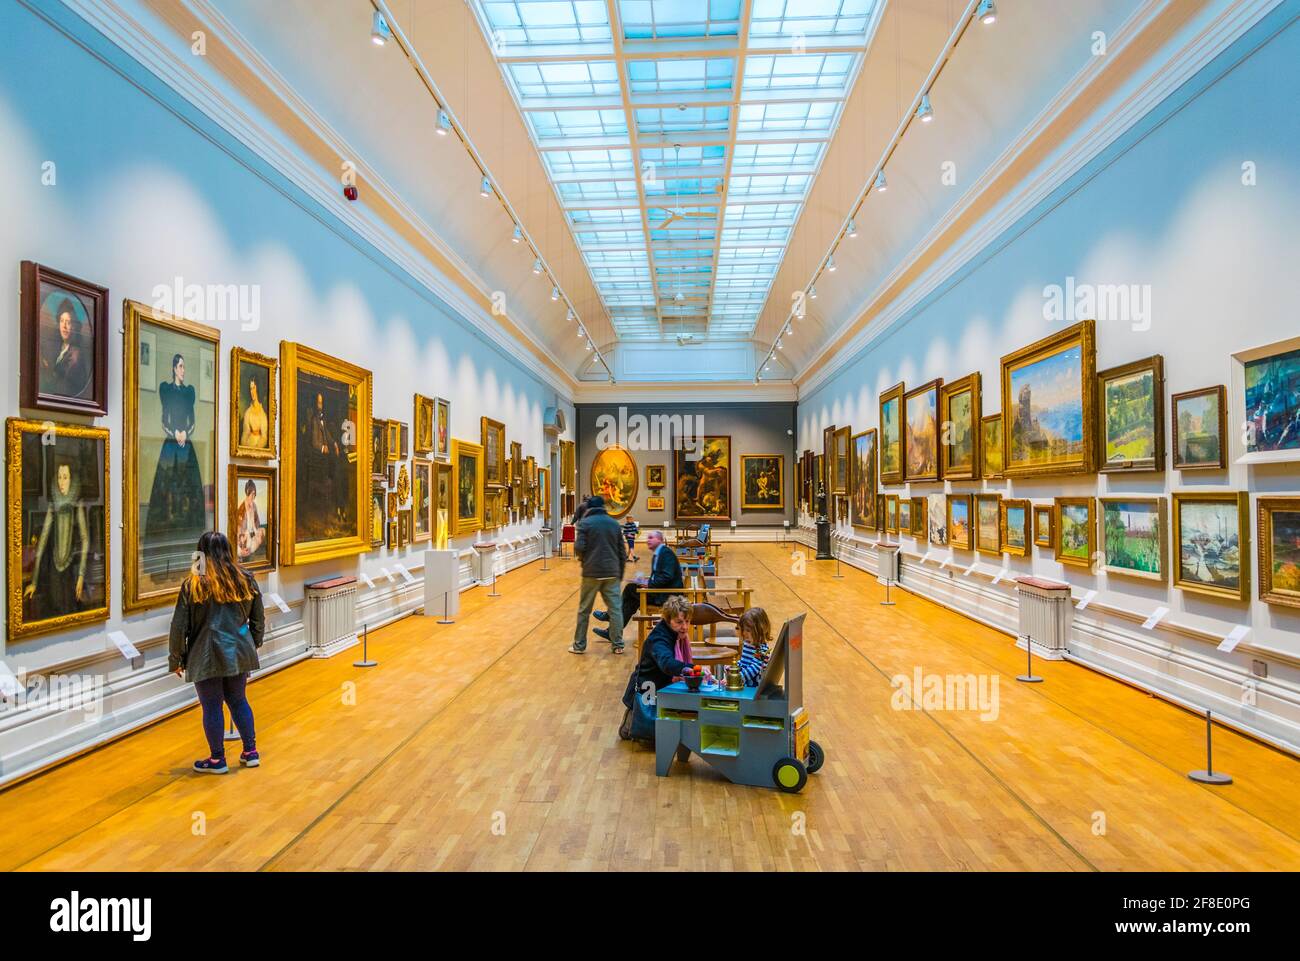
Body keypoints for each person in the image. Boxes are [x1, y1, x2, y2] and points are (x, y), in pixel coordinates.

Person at [168, 531, 265, 774]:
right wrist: (254, 643)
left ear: (200, 553)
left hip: (205, 653)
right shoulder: (245, 578)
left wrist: (176, 658)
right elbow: (258, 618)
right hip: (238, 650)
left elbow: (179, 625)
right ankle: (250, 751)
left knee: (211, 705)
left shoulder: (194, 584)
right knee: (238, 699)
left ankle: (217, 759)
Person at [144, 353, 206, 568]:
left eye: (184, 367)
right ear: (173, 368)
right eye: (180, 366)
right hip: (172, 445)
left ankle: (190, 551)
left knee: (189, 488)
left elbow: (193, 421)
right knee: (167, 487)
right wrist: (175, 433)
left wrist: (185, 434)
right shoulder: (166, 389)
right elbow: (164, 420)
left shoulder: (189, 393)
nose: (183, 370)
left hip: (185, 445)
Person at [620, 594, 695, 741]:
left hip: (660, 686)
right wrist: (690, 668)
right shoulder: (659, 639)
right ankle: (630, 721)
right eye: (679, 622)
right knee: (650, 737)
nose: (685, 627)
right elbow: (667, 663)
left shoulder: (675, 635)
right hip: (647, 690)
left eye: (687, 621)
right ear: (668, 620)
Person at [23, 461, 89, 619]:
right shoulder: (53, 504)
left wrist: (81, 576)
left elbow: (85, 539)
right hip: (53, 567)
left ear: (72, 480)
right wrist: (34, 582)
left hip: (71, 567)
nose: (61, 481)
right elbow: (43, 538)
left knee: (71, 611)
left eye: (65, 477)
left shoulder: (77, 504)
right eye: (59, 477)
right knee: (54, 611)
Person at [593, 528, 682, 643]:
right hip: (661, 592)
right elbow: (660, 577)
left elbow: (667, 576)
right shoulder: (659, 554)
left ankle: (610, 615)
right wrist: (644, 581)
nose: (647, 540)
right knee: (631, 601)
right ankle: (612, 632)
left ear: (659, 540)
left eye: (651, 538)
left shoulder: (666, 553)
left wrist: (648, 584)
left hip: (667, 596)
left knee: (631, 589)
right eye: (647, 537)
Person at [571, 495, 626, 655]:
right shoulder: (614, 524)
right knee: (615, 610)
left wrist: (584, 560)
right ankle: (618, 645)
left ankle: (579, 645)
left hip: (591, 572)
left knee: (584, 610)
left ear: (589, 508)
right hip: (611, 572)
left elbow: (579, 547)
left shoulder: (585, 523)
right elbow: (622, 552)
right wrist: (620, 573)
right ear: (603, 507)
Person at [736, 607, 772, 687]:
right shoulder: (747, 644)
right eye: (744, 630)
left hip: (753, 688)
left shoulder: (762, 650)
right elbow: (744, 663)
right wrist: (734, 668)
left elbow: (754, 668)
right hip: (744, 684)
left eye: (748, 630)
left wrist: (736, 678)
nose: (744, 633)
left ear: (761, 630)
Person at [235, 478, 265, 562]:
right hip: (243, 535)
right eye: (252, 494)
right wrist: (242, 537)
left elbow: (257, 522)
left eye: (254, 494)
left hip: (252, 533)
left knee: (262, 531)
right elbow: (238, 528)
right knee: (246, 538)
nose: (253, 496)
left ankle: (248, 551)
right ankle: (243, 552)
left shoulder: (254, 506)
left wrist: (256, 531)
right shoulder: (241, 509)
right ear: (247, 492)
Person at [239, 375, 269, 450]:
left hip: (259, 446)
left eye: (254, 388)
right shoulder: (248, 412)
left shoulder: (263, 414)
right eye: (251, 389)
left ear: (258, 388)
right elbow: (245, 434)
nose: (252, 391)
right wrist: (245, 449)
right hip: (248, 445)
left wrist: (256, 449)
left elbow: (264, 437)